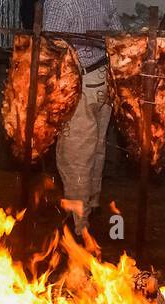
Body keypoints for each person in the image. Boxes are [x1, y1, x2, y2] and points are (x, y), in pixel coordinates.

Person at [43, 0, 118, 234]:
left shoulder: (59, 1)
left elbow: (52, 44)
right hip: (104, 77)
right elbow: (115, 30)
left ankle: (77, 225)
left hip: (79, 82)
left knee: (75, 154)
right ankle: (92, 203)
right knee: (96, 146)